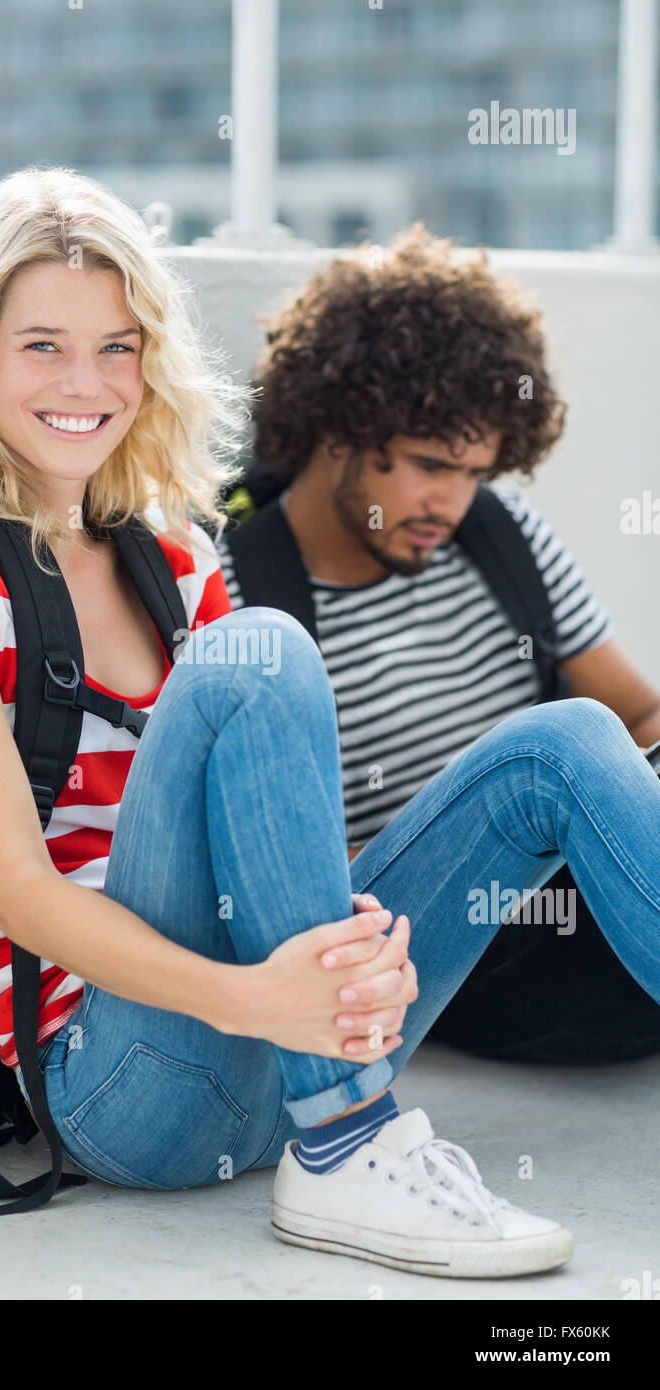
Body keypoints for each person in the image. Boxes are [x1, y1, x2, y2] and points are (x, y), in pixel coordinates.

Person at [0, 167, 660, 1281]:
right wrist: (259, 997)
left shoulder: (178, 554)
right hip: (122, 1078)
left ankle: (334, 1123)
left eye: (117, 346)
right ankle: (345, 1142)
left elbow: (268, 837)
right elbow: (21, 896)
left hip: (275, 1040)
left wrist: (363, 946)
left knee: (567, 742)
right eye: (41, 343)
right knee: (266, 650)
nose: (82, 381)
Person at [218, 224, 660, 1066]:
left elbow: (638, 711)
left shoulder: (500, 536)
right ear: (336, 429)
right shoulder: (242, 594)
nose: (450, 504)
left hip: (608, 907)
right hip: (462, 959)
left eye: (474, 473)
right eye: (428, 465)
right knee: (562, 749)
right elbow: (264, 864)